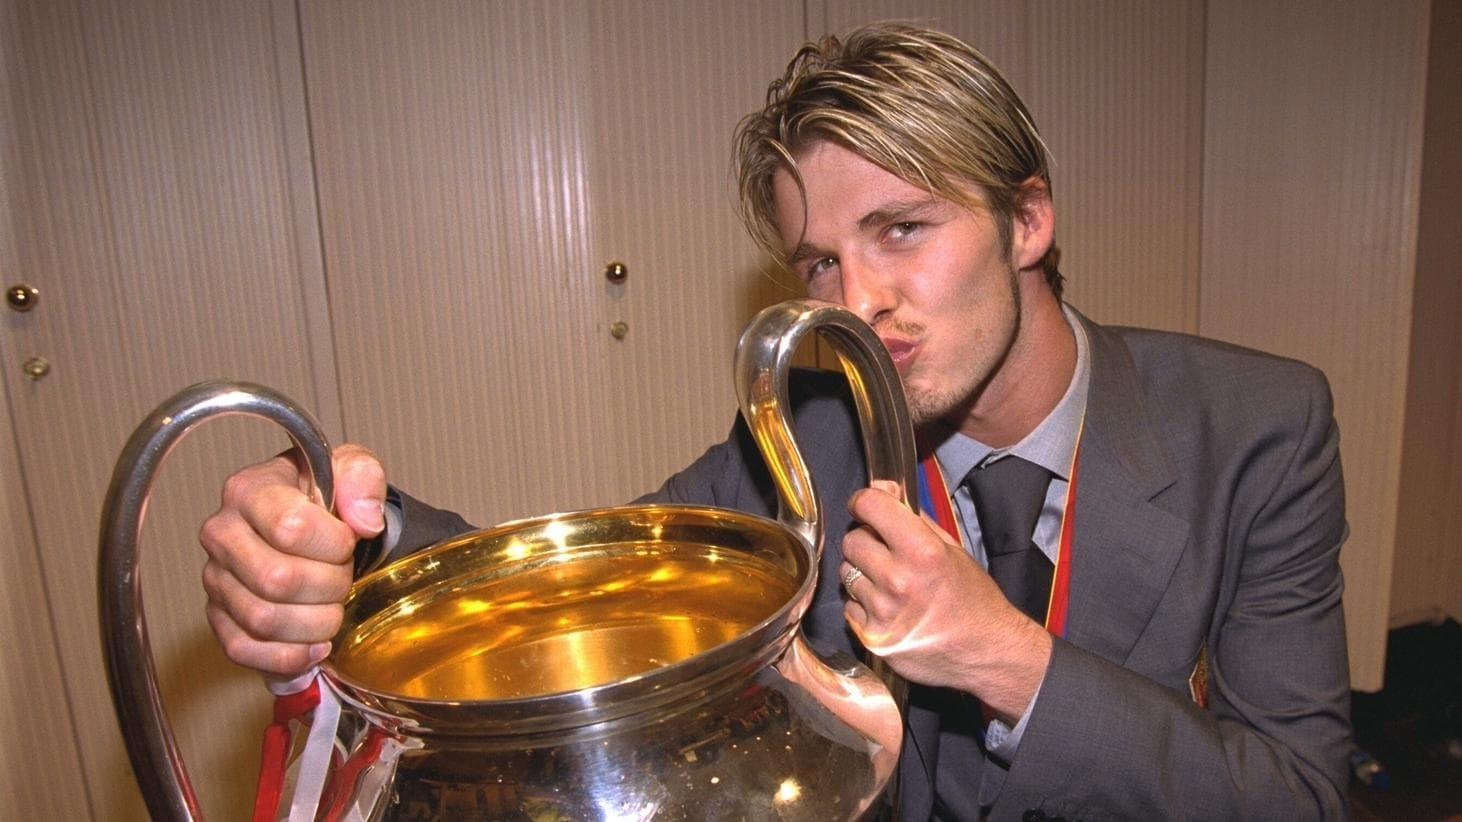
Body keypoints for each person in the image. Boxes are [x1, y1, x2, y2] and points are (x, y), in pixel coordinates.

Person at [200, 23, 1352, 819]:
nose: (852, 306)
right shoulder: (817, 435)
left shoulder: (1259, 429)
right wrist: (349, 534)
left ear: (1028, 221)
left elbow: (1300, 797)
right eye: (818, 260)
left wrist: (1012, 662)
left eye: (901, 229)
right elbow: (600, 587)